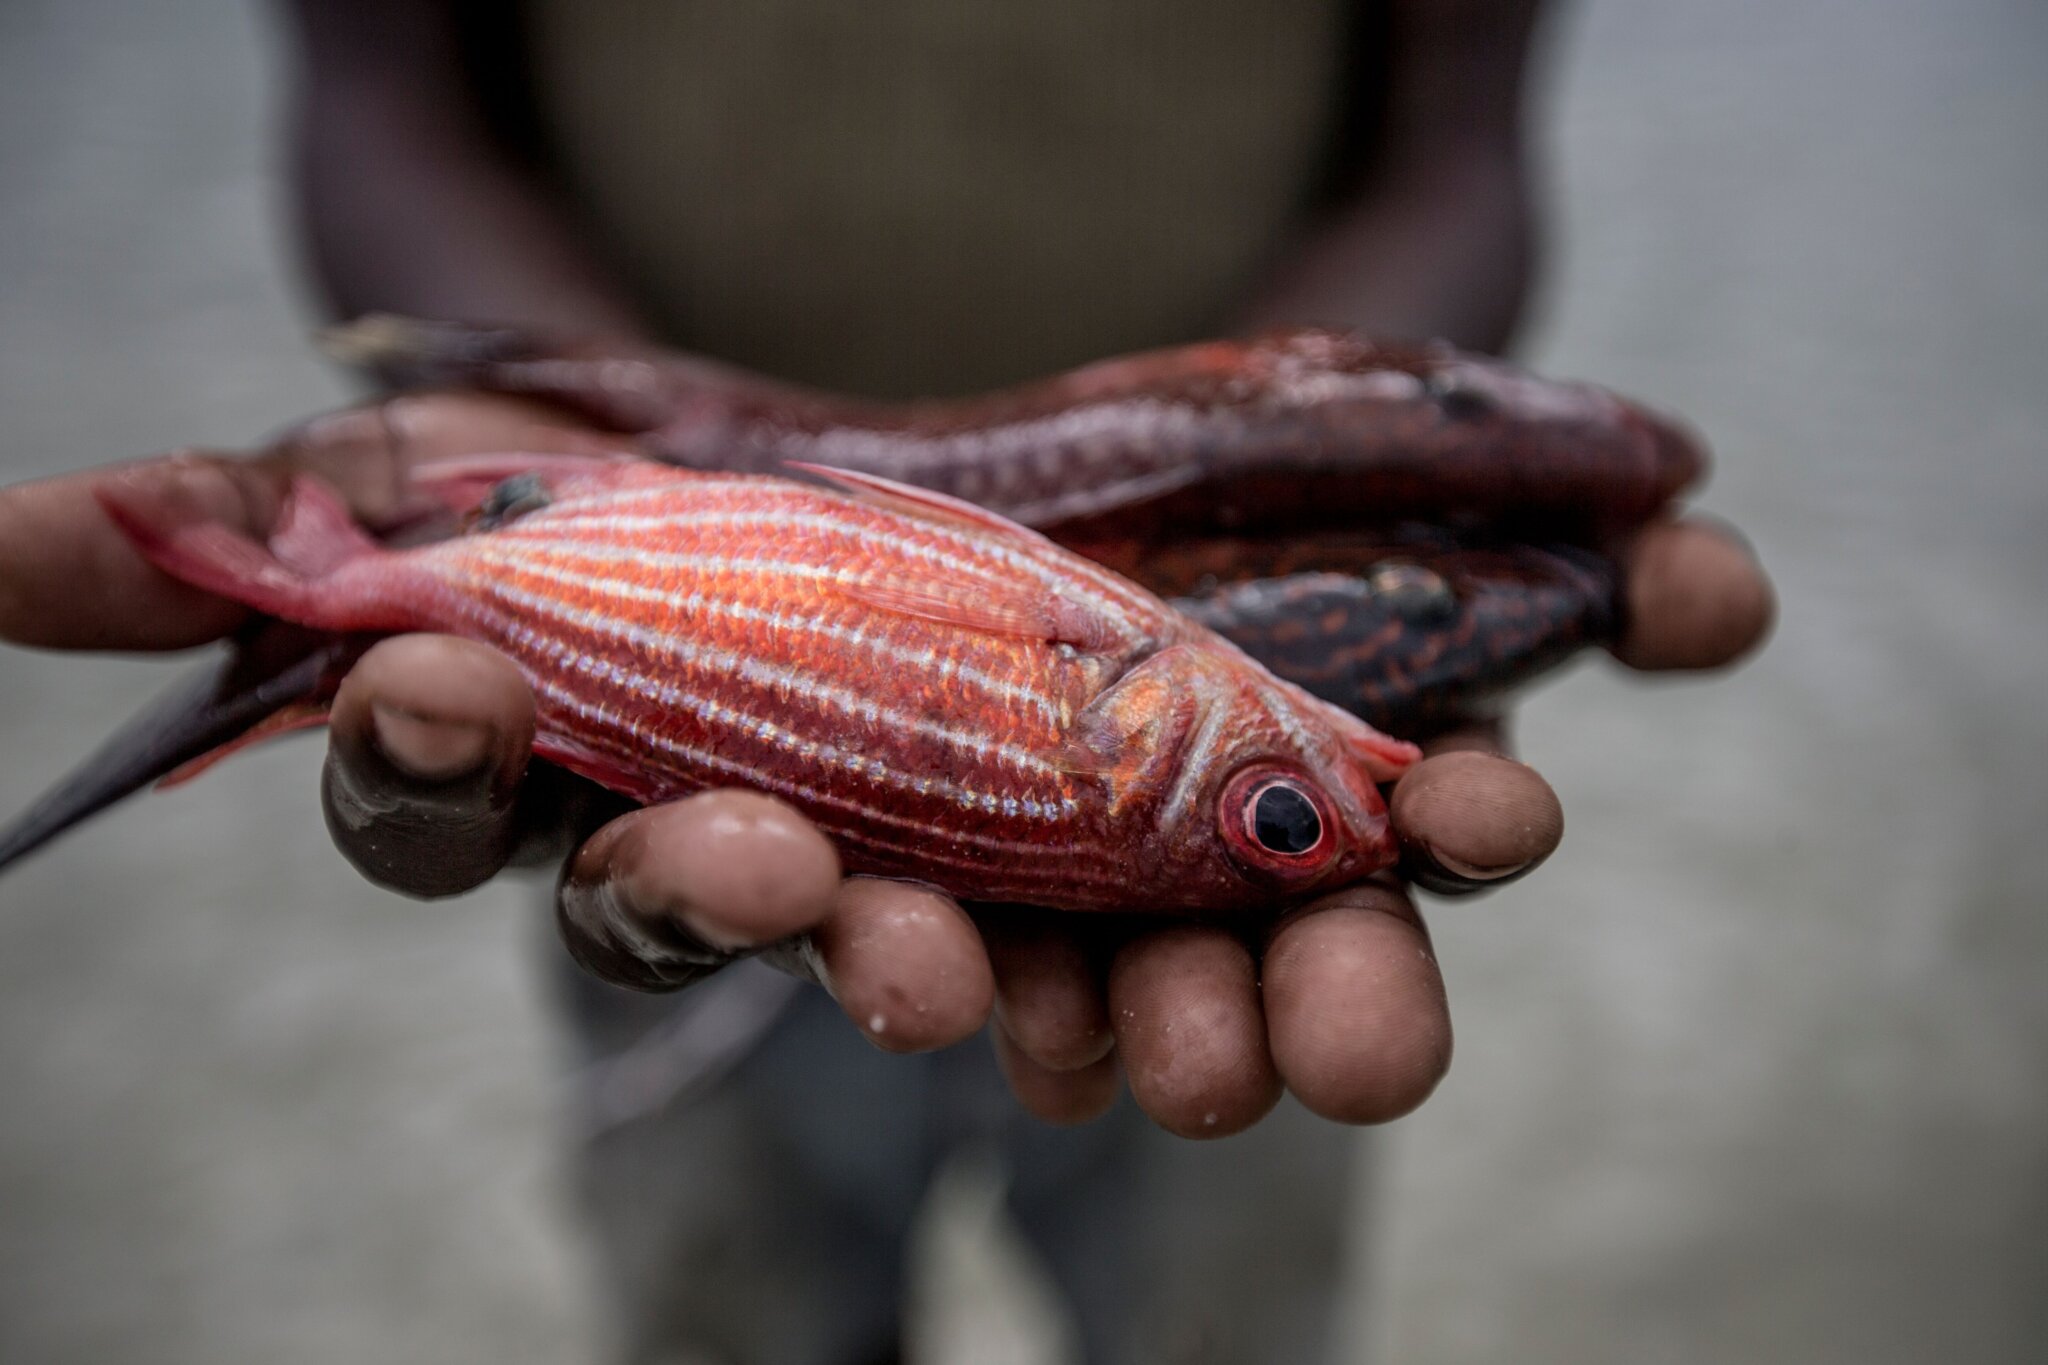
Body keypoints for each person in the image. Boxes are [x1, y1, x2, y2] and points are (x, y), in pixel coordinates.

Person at [0, 1, 1773, 1360]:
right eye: (1280, 813)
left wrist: (1377, 417)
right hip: (665, 810)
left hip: (773, 718)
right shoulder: (1164, 695)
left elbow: (1452, 134)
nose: (1327, 784)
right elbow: (385, 80)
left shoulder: (1153, 715)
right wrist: (554, 420)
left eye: (1290, 811)